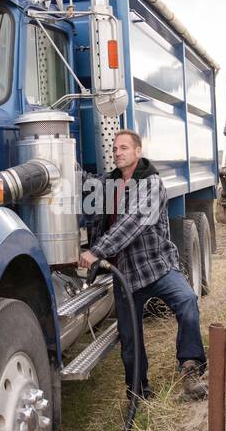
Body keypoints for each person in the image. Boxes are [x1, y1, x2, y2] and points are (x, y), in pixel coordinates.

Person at [79, 130, 208, 402]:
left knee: (186, 301)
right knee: (130, 339)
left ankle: (190, 367)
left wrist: (96, 251)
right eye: (115, 148)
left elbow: (133, 222)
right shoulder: (109, 184)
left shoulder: (151, 184)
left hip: (156, 266)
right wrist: (65, 161)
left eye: (124, 147)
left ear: (138, 151)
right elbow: (85, 185)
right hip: (125, 274)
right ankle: (138, 392)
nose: (117, 152)